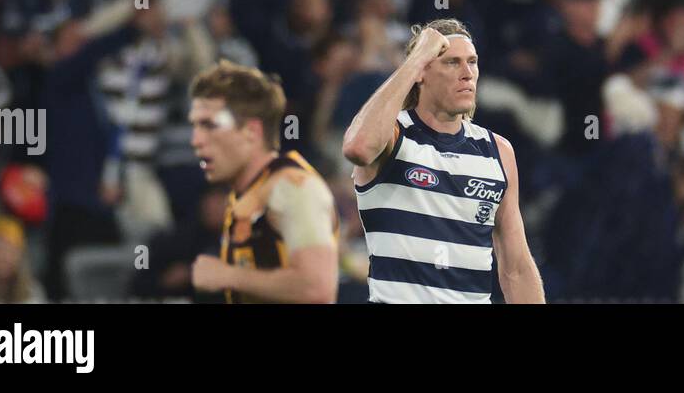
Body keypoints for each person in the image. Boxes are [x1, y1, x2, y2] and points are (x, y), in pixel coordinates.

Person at [342, 19, 544, 303]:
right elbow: (357, 148)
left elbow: (517, 269)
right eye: (452, 63)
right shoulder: (394, 137)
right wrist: (414, 60)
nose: (467, 73)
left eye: (472, 62)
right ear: (421, 71)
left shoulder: (498, 150)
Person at [188, 60, 339, 303]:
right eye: (195, 126)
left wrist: (228, 275)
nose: (196, 140)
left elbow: (317, 289)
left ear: (251, 131)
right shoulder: (249, 195)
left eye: (209, 125)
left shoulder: (292, 188)